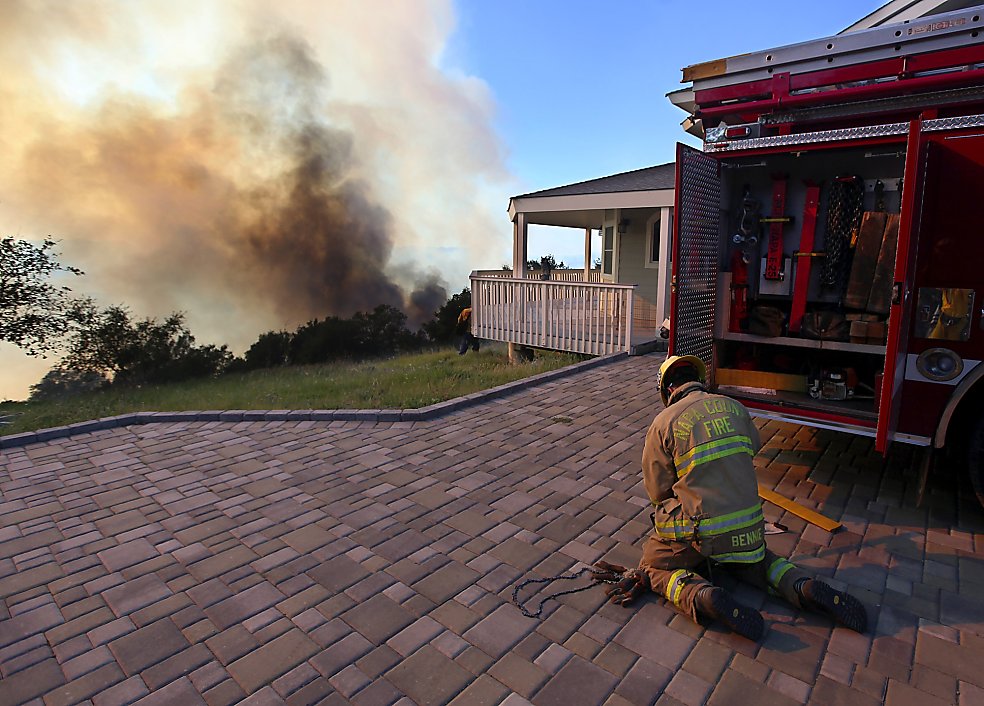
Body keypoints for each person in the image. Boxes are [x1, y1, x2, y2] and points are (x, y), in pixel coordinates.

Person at [592, 355, 867, 640]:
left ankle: (701, 596)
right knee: (757, 562)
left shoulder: (663, 423)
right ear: (697, 380)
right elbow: (751, 448)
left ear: (668, 390)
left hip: (702, 533)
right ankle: (801, 586)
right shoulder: (735, 408)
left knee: (652, 565)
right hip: (749, 529)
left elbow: (658, 493)